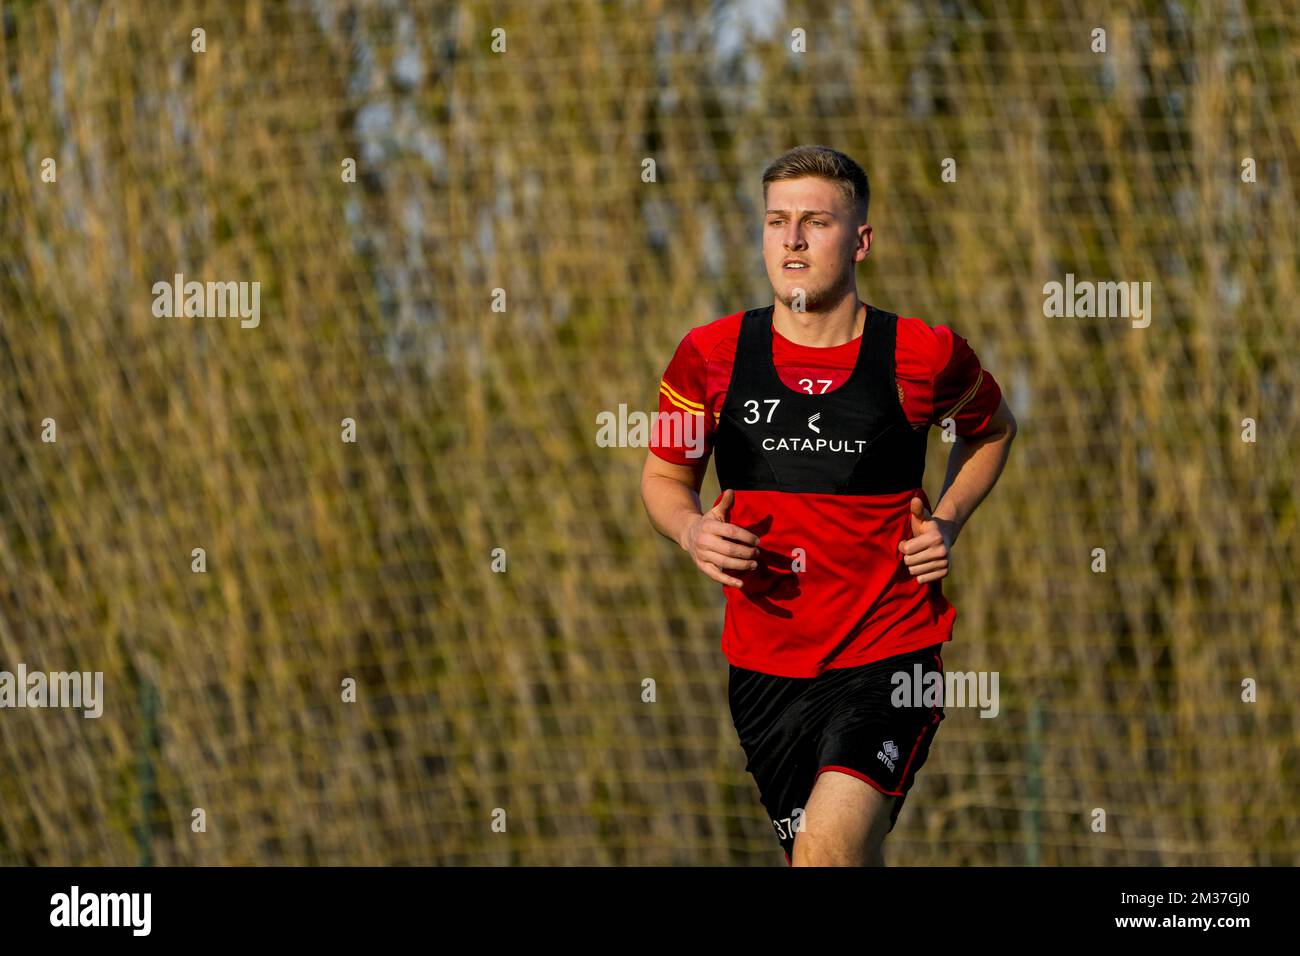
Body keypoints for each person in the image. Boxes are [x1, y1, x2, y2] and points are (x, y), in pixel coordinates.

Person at [640, 145, 1017, 866]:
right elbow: (663, 476)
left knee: (825, 855)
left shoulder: (922, 355)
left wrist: (950, 521)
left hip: (889, 652)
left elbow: (994, 429)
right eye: (777, 221)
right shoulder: (710, 355)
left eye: (816, 221)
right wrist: (691, 532)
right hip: (763, 668)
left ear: (862, 240)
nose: (792, 239)